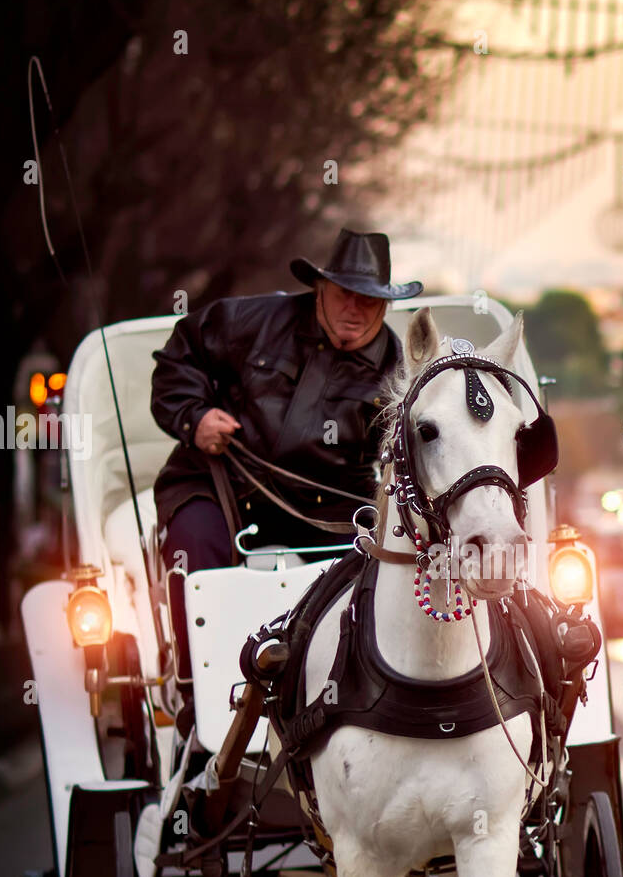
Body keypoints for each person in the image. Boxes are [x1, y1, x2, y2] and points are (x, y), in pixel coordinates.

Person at [149, 228, 423, 727]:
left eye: (370, 300)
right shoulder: (249, 319)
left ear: (386, 305)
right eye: (345, 295)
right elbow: (177, 360)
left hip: (330, 516)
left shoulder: (398, 371)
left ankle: (347, 708)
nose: (355, 310)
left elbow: (400, 465)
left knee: (373, 583)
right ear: (319, 288)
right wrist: (194, 417)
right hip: (222, 487)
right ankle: (199, 701)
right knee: (195, 546)